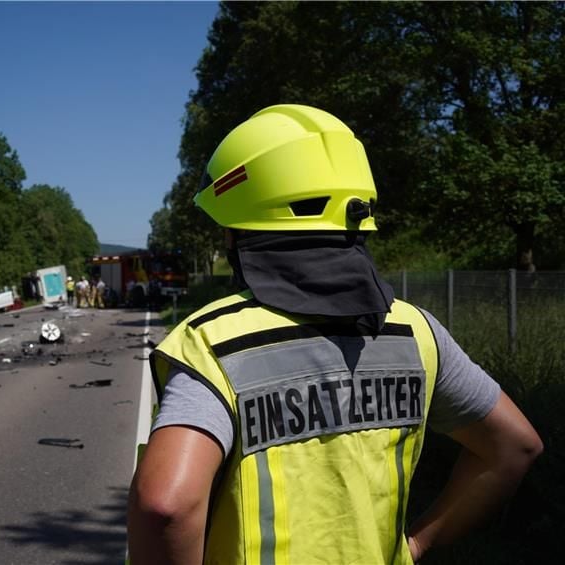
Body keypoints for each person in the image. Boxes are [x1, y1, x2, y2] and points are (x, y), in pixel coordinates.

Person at [127, 104, 543, 565]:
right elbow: (515, 446)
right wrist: (417, 544)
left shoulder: (213, 344)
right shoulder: (416, 333)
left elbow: (166, 505)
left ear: (239, 227)